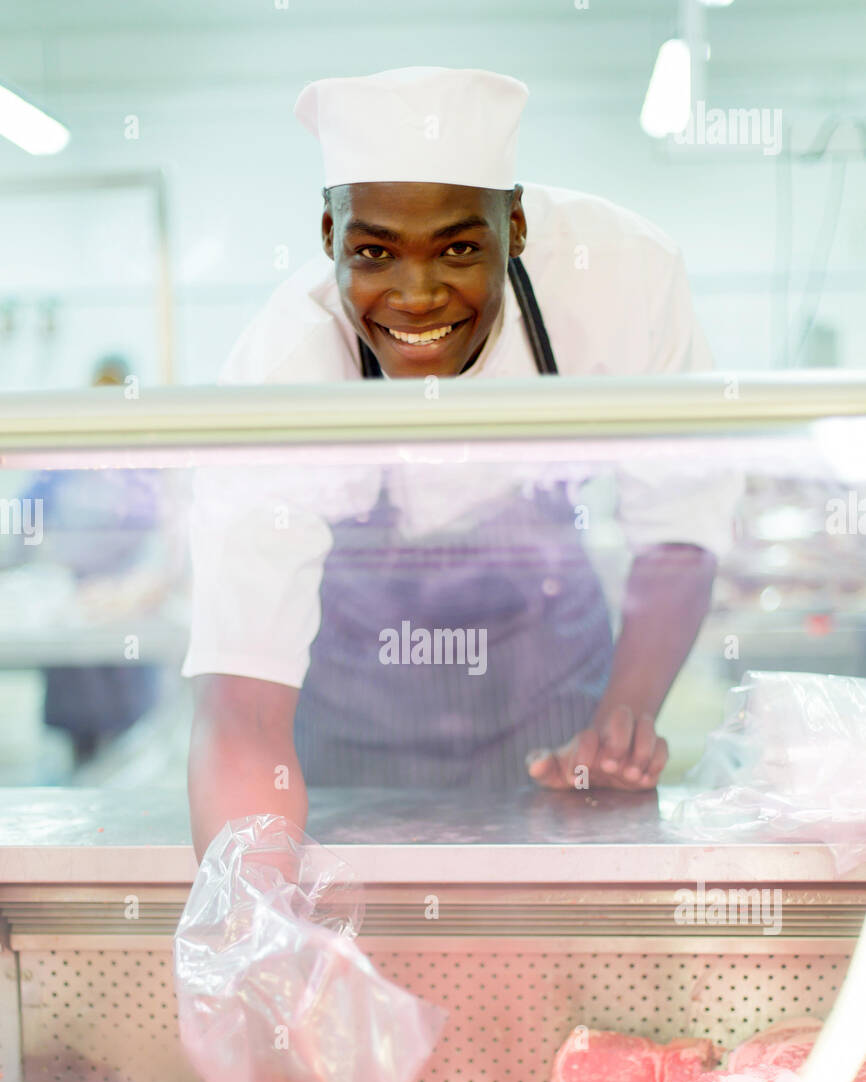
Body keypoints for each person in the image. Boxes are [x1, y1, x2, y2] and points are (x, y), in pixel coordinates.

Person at [184, 67, 739, 858]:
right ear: (327, 238)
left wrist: (622, 722)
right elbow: (242, 704)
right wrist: (256, 928)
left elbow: (680, 524)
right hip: (351, 707)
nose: (416, 295)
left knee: (544, 953)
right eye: (373, 251)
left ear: (515, 228)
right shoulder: (281, 372)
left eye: (458, 247)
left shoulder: (624, 277)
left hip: (549, 685)